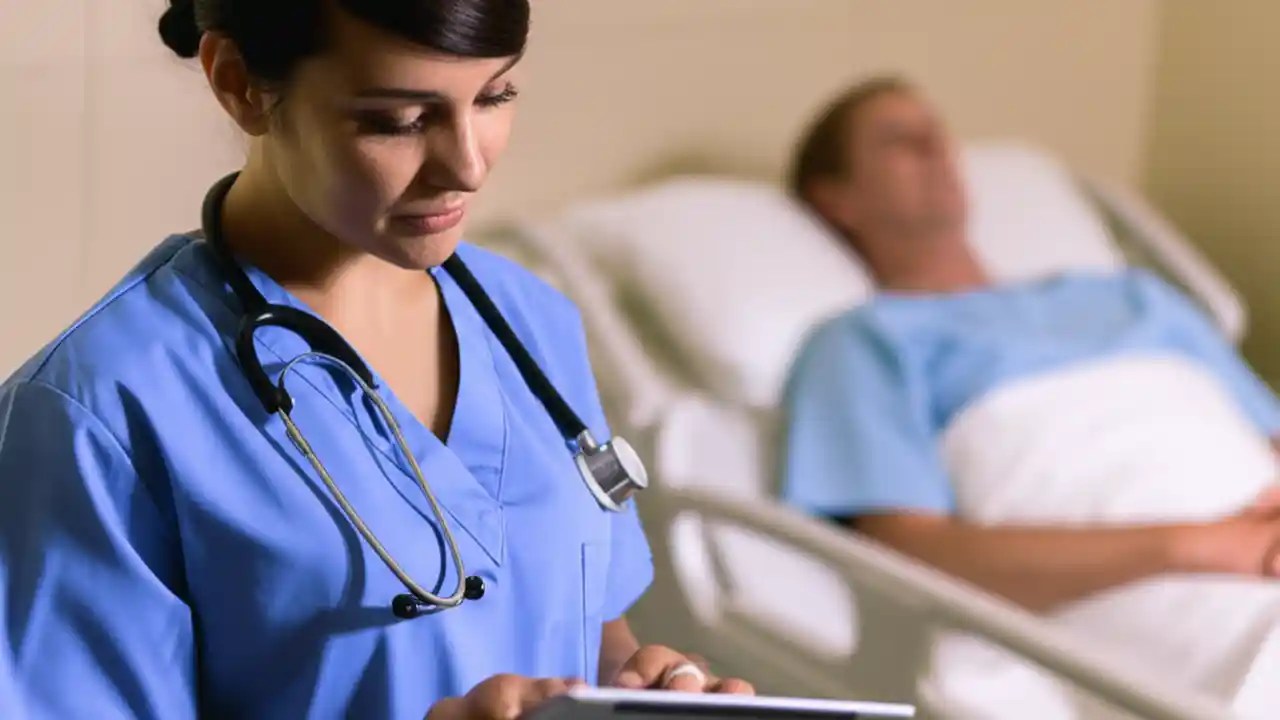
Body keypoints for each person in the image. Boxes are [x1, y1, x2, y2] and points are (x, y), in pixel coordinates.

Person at [0, 2, 752, 718]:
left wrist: (640, 685)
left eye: (495, 96)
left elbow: (587, 624)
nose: (467, 166)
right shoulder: (98, 412)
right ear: (238, 84)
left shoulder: (529, 319)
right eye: (397, 120)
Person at [780, 76, 1280, 613]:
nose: (936, 149)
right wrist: (1198, 545)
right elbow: (908, 553)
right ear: (835, 199)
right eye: (898, 140)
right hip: (1164, 586)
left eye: (938, 133)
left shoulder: (1132, 296)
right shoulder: (867, 340)